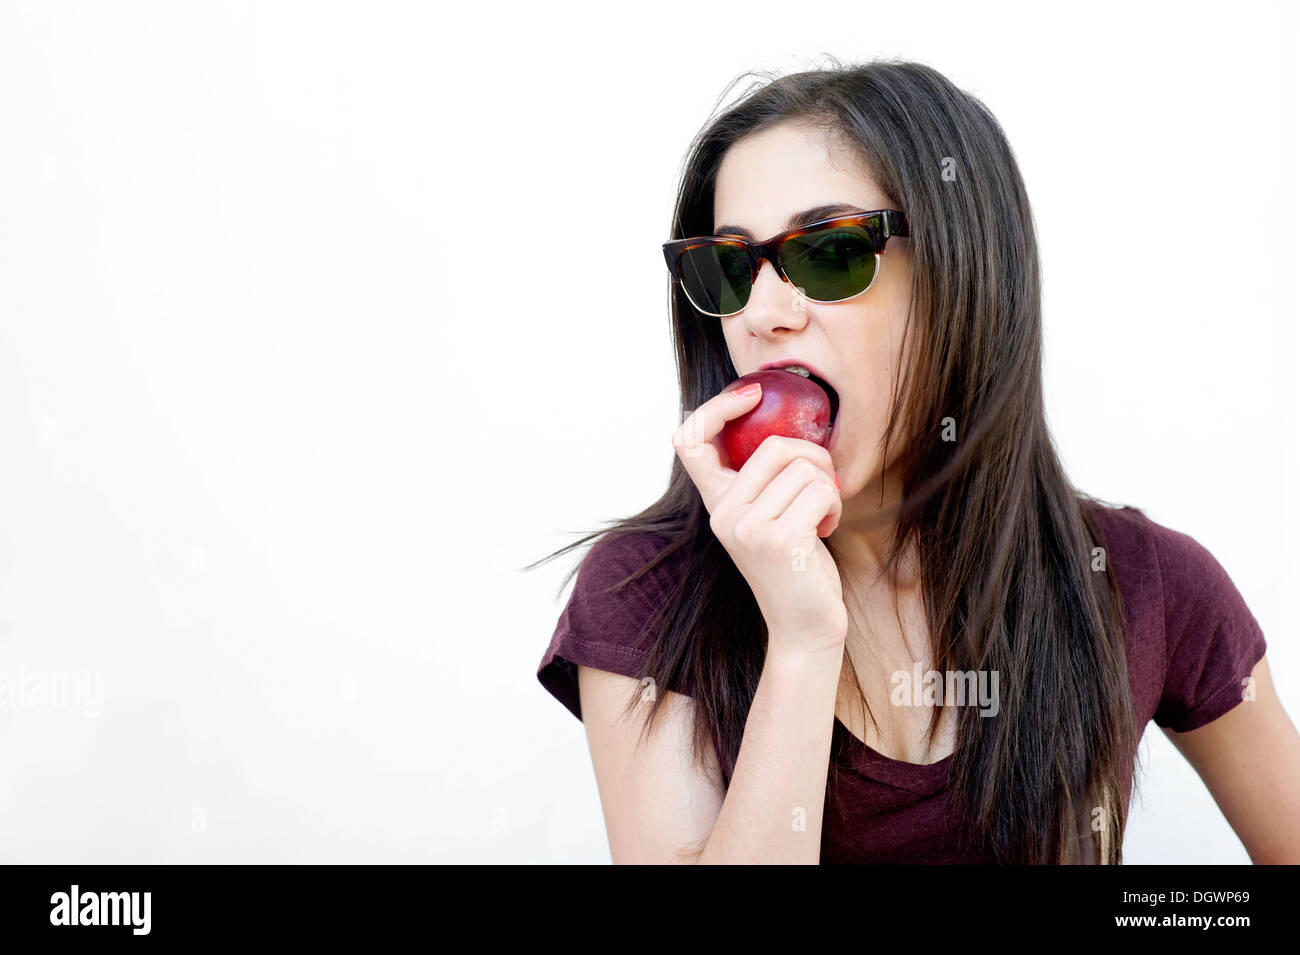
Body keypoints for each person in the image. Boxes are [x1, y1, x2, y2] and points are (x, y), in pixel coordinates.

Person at [531, 58, 1300, 863]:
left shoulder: (1146, 583)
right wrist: (800, 643)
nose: (761, 316)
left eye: (829, 254)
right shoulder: (645, 596)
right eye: (729, 268)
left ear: (963, 274)